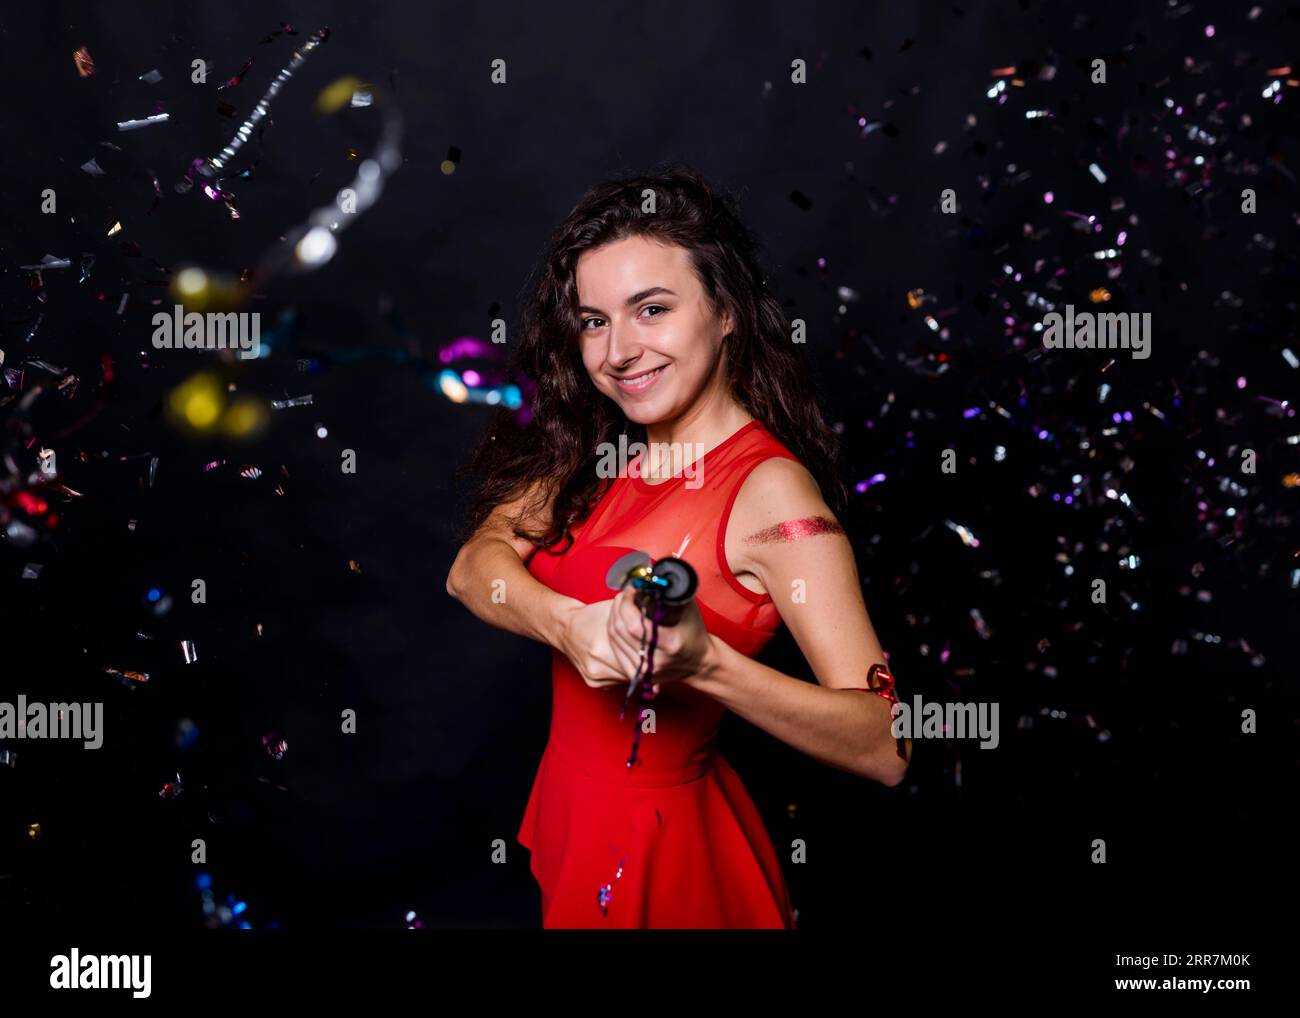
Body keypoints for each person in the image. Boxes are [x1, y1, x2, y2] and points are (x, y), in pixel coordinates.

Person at [447, 163, 909, 928]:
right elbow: (473, 567)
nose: (618, 351)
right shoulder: (599, 449)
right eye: (593, 321)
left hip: (658, 852)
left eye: (651, 309)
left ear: (726, 311)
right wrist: (569, 623)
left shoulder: (772, 496)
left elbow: (887, 745)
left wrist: (705, 664)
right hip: (574, 814)